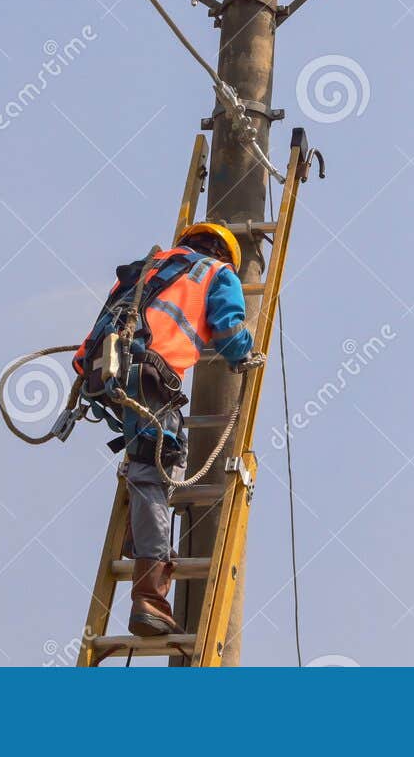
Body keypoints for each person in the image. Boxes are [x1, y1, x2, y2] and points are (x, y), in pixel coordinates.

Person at [72, 222, 264, 636]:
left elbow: (98, 327)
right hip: (149, 375)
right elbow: (229, 330)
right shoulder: (216, 273)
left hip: (105, 372)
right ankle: (150, 597)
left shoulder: (147, 267)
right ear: (224, 254)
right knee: (154, 473)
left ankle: (138, 537)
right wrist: (244, 354)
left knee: (161, 457)